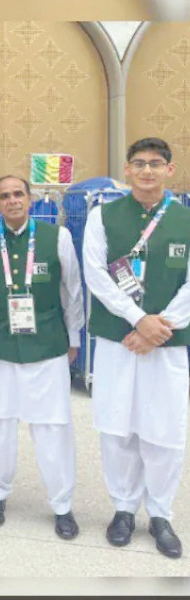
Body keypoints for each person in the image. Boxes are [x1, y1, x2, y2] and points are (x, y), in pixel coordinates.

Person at [83, 137, 190, 559]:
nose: (147, 171)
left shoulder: (185, 218)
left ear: (170, 169)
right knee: (117, 428)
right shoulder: (102, 216)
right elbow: (96, 273)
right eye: (139, 163)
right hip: (118, 342)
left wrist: (157, 327)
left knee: (165, 432)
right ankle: (124, 509)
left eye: (156, 163)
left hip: (167, 344)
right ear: (127, 170)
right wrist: (137, 319)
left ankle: (160, 514)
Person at [0, 175, 84, 540]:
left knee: (52, 427)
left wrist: (74, 335)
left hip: (47, 346)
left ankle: (62, 505)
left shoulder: (56, 237)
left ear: (31, 199)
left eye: (18, 194)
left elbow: (72, 289)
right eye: (4, 196)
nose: (12, 200)